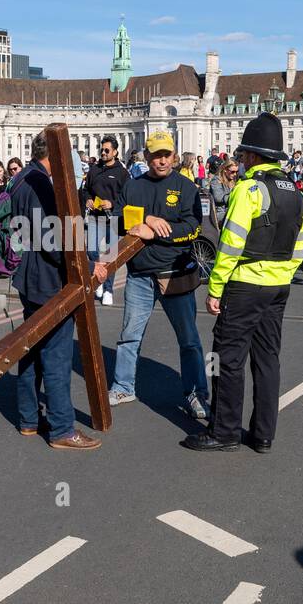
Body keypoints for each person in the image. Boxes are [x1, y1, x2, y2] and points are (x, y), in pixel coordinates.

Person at [185, 113, 303, 453]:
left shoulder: (249, 190)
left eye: (242, 155)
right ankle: (263, 434)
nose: (239, 161)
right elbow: (300, 247)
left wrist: (215, 288)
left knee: (226, 357)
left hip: (244, 284)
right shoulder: (297, 194)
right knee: (268, 358)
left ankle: (223, 431)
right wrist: (281, 275)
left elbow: (230, 244)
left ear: (252, 156)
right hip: (279, 285)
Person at [10, 133, 103, 451]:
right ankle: (62, 428)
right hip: (49, 281)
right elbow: (54, 239)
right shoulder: (42, 185)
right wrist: (89, 267)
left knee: (31, 351)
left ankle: (28, 420)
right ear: (56, 156)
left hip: (28, 277)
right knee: (57, 355)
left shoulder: (22, 178)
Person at [108, 131, 209, 419]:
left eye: (166, 154)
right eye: (156, 155)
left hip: (175, 273)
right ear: (147, 156)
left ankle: (196, 393)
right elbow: (116, 220)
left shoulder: (186, 187)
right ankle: (123, 386)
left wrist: (155, 231)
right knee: (129, 335)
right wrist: (144, 219)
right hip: (140, 275)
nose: (161, 160)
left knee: (188, 339)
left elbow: (192, 228)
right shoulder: (133, 185)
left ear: (174, 156)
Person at [80, 135, 129, 306]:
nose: (103, 152)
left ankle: (108, 289)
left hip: (113, 219)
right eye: (102, 149)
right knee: (92, 252)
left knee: (110, 255)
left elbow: (127, 196)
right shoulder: (94, 169)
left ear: (115, 152)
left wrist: (113, 203)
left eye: (107, 150)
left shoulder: (122, 172)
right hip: (95, 217)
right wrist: (87, 199)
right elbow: (85, 190)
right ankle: (98, 282)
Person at [207, 159, 239, 227]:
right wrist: (236, 197)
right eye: (232, 172)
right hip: (219, 213)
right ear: (225, 169)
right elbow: (218, 197)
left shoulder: (233, 180)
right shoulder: (216, 180)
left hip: (230, 210)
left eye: (236, 171)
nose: (235, 174)